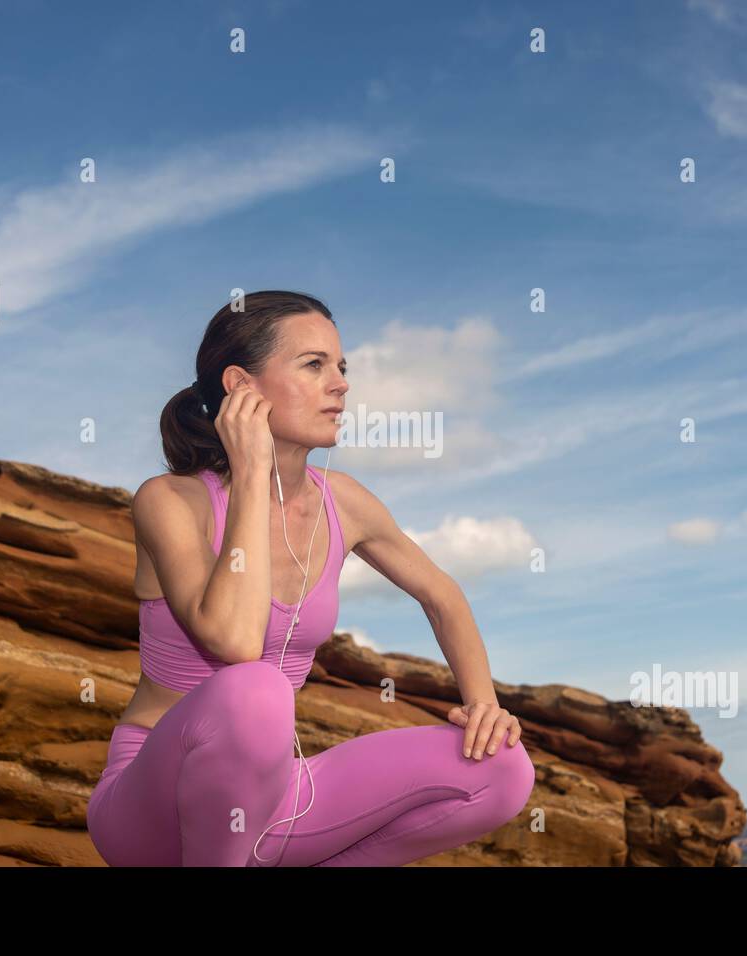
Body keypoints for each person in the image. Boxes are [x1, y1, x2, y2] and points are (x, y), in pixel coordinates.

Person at [86, 290, 535, 866]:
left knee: (501, 768)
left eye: (342, 367)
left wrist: (484, 706)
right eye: (314, 364)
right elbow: (236, 642)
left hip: (276, 801)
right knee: (256, 689)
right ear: (240, 386)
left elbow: (441, 594)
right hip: (152, 810)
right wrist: (251, 473)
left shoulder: (344, 502)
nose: (342, 383)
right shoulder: (171, 501)